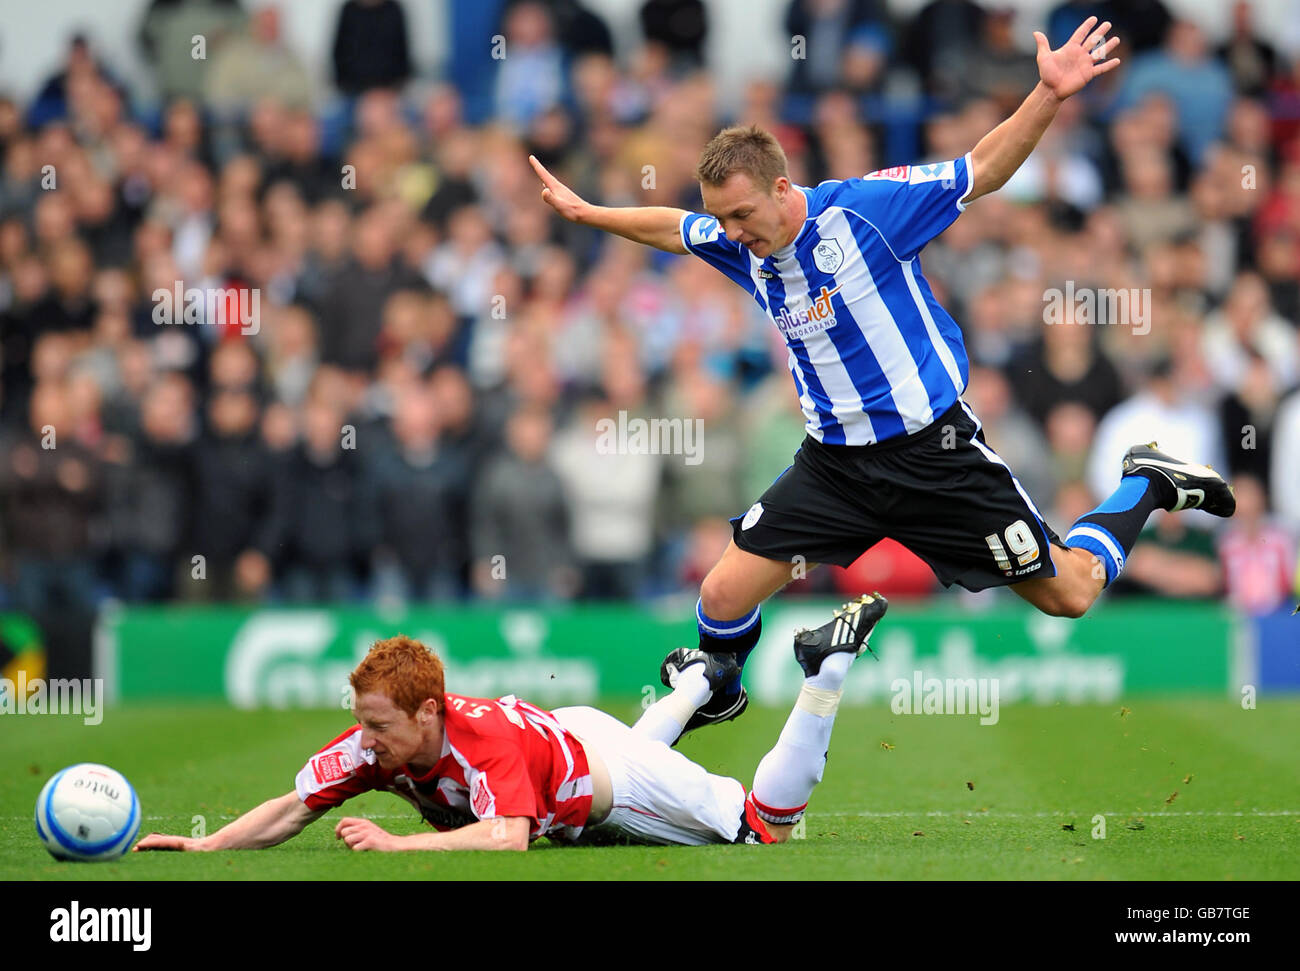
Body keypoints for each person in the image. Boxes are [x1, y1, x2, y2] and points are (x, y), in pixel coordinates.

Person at [528, 16, 1236, 737]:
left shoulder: (866, 211)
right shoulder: (743, 242)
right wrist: (588, 213)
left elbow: (982, 169)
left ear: (781, 187)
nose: (733, 231)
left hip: (935, 456)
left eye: (742, 213)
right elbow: (675, 229)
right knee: (720, 592)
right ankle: (720, 685)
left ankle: (1145, 481)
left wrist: (1049, 94)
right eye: (725, 218)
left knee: (1072, 593)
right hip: (833, 466)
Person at [132, 595, 887, 851]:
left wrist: (399, 845)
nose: (365, 740)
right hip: (567, 739)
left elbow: (507, 835)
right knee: (591, 768)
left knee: (762, 830)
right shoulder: (383, 741)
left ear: (429, 711)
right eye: (361, 723)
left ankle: (824, 672)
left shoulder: (476, 739)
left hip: (608, 778)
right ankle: (698, 680)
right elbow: (294, 806)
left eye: (377, 725)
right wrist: (210, 840)